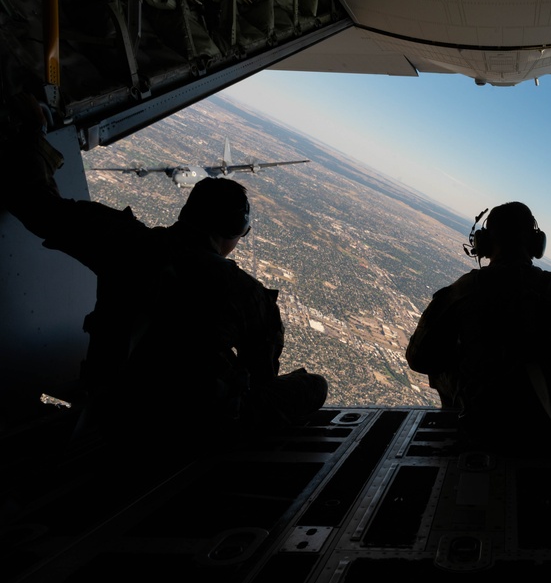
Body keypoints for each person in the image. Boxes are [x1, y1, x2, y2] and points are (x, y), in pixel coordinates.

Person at [0, 106, 327, 445]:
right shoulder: (250, 295)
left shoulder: (121, 240)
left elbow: (39, 206)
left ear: (187, 212)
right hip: (189, 432)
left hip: (112, 407)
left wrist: (34, 135)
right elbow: (262, 378)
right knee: (315, 386)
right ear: (233, 233)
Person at [406, 202, 551, 450]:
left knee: (440, 364)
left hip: (486, 421)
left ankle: (454, 421)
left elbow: (419, 358)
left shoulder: (466, 289)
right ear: (535, 244)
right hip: (546, 422)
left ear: (484, 243)